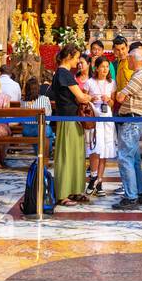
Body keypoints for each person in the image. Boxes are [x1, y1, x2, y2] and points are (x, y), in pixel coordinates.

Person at [50, 44, 93, 205]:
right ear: (69, 57)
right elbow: (81, 97)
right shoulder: (64, 73)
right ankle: (62, 193)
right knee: (67, 156)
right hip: (67, 119)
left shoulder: (62, 73)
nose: (78, 61)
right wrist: (89, 97)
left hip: (71, 118)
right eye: (76, 58)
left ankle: (74, 190)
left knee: (76, 155)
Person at [112, 47, 142, 209]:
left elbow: (120, 97)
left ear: (134, 59)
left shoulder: (139, 76)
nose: (127, 60)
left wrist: (115, 93)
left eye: (129, 58)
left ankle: (131, 196)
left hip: (131, 120)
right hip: (135, 120)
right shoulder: (141, 75)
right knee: (133, 159)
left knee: (125, 158)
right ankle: (140, 192)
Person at [85, 56, 115, 196]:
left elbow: (113, 103)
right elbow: (84, 100)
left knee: (105, 149)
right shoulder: (89, 83)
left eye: (107, 67)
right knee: (95, 148)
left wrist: (108, 100)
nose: (105, 69)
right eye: (102, 66)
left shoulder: (111, 83)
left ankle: (100, 181)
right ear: (96, 68)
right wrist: (91, 98)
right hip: (94, 117)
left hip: (107, 117)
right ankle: (93, 177)